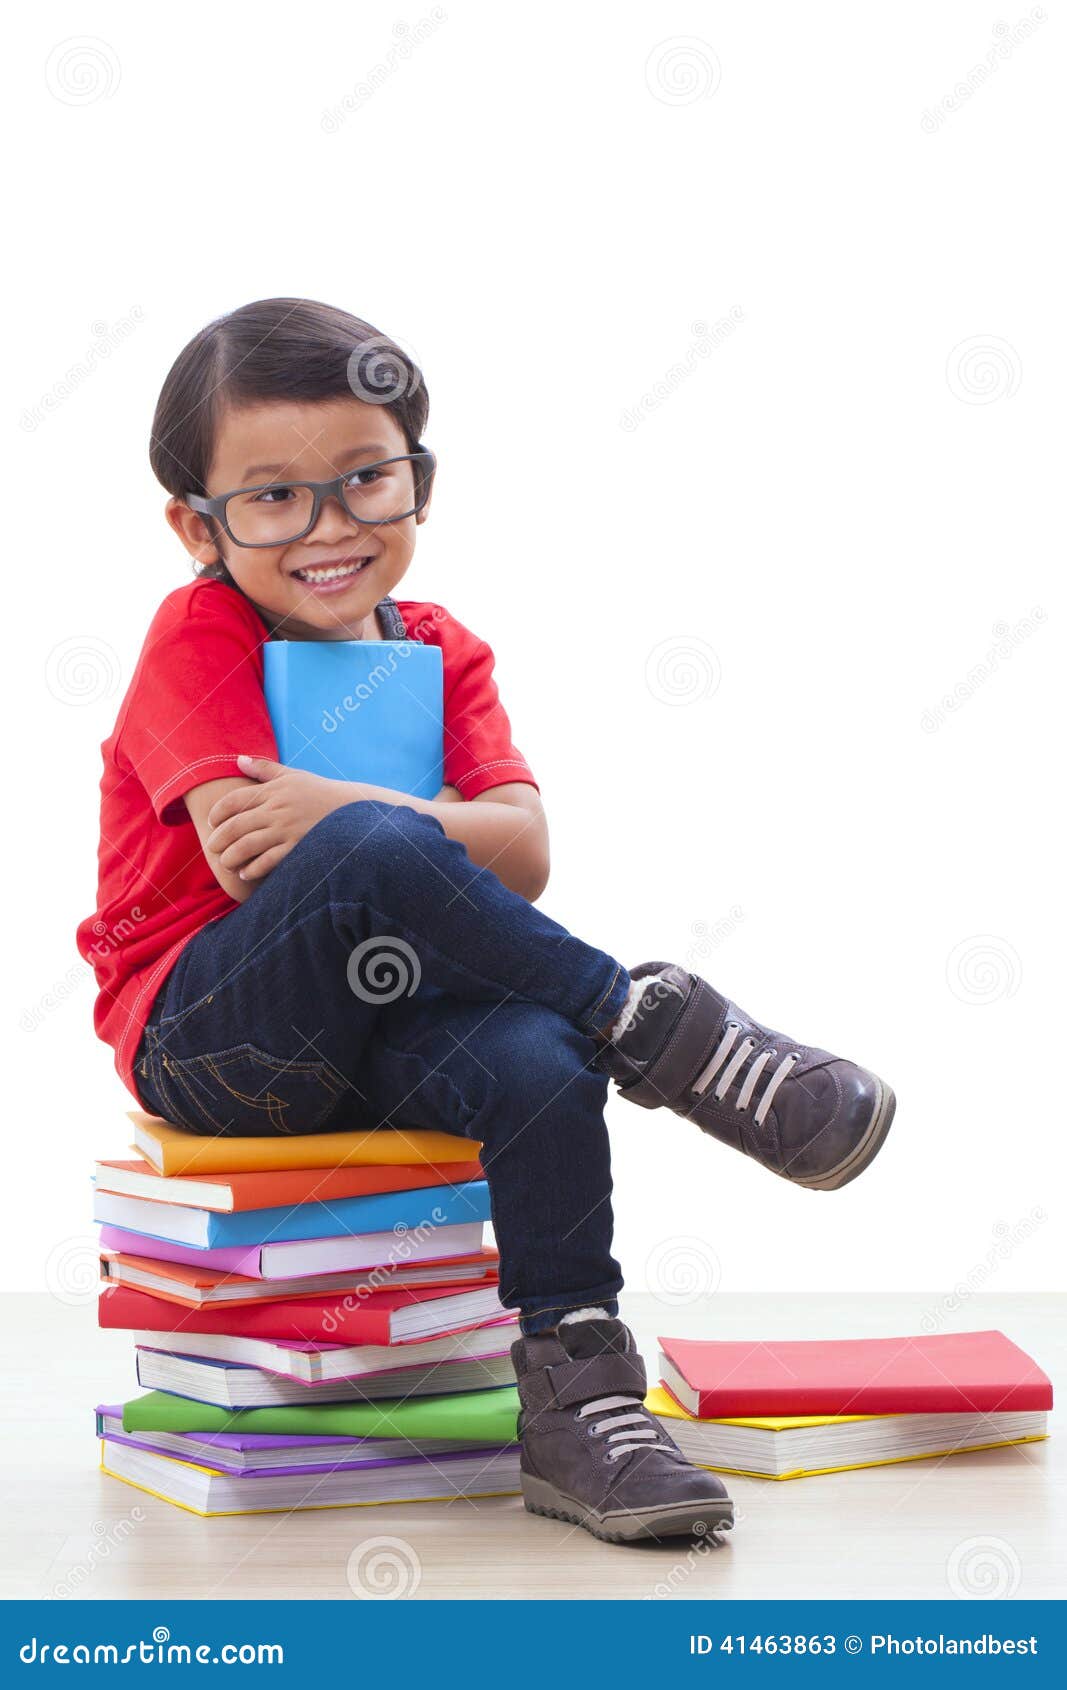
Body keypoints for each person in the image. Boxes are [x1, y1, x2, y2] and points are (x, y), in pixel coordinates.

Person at [76, 297, 896, 1545]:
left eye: (365, 480)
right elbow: (255, 860)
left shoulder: (443, 649)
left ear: (420, 480)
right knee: (371, 850)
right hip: (216, 1032)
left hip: (387, 1028)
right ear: (198, 523)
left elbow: (528, 853)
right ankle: (654, 1024)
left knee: (528, 1054)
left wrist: (353, 804)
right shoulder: (197, 634)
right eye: (272, 497)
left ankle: (575, 1388)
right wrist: (406, 819)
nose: (329, 526)